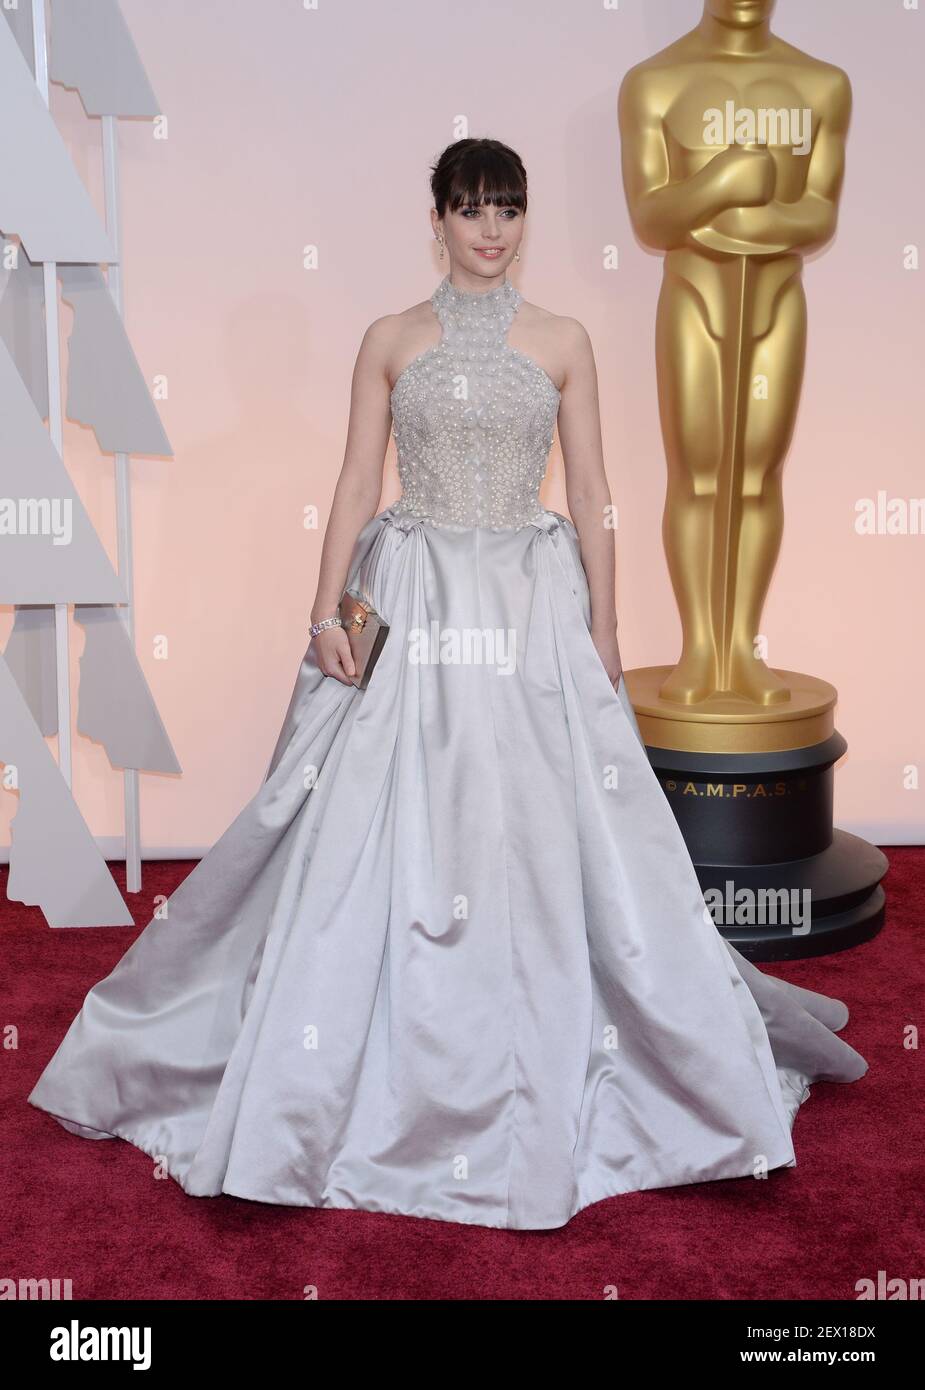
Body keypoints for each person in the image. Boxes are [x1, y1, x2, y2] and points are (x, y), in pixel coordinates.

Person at [28, 138, 866, 1231]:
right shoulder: (389, 338)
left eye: (507, 208)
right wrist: (324, 611)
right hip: (408, 593)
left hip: (527, 601)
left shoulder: (564, 341)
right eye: (471, 208)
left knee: (547, 829)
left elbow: (599, 491)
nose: (491, 228)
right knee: (351, 818)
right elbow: (352, 479)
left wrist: (607, 632)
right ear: (437, 218)